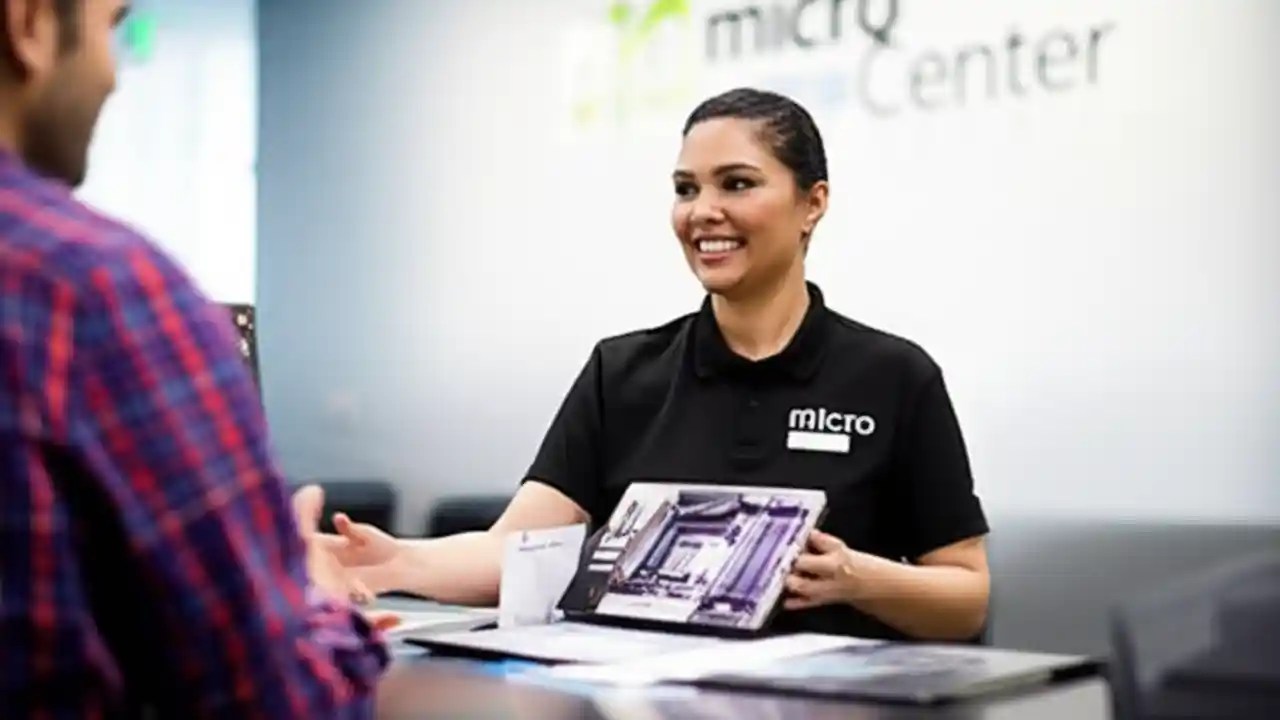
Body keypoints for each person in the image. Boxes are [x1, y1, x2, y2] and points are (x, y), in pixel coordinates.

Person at [321, 87, 991, 642]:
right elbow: (517, 551)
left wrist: (858, 578)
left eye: (737, 184)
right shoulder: (623, 372)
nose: (704, 212)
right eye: (685, 188)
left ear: (812, 203)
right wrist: (394, 559)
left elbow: (966, 597)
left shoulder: (895, 376)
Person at [0, 0, 389, 715]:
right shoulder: (94, 292)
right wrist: (312, 596)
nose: (114, 77)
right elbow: (276, 701)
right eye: (111, 27)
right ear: (28, 25)